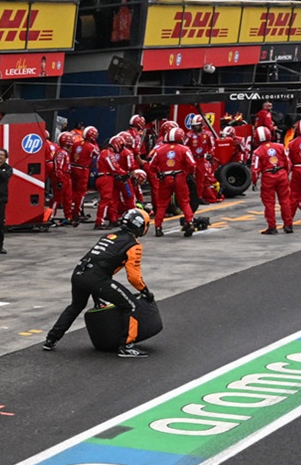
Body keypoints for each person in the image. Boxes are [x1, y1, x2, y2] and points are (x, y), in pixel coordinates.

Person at [42, 208, 152, 358]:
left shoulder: (109, 236)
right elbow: (133, 277)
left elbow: (101, 262)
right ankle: (126, 346)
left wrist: (97, 294)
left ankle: (51, 339)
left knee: (76, 305)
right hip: (96, 278)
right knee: (132, 306)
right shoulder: (134, 245)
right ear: (140, 226)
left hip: (79, 273)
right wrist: (145, 290)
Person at [146, 127, 199, 236]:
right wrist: (188, 173)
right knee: (184, 202)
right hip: (179, 177)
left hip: (165, 178)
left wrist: (158, 173)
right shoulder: (184, 149)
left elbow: (151, 166)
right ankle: (189, 222)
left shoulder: (159, 150)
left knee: (162, 204)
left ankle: (158, 227)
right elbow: (192, 164)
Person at [249, 126, 293, 235]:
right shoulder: (280, 146)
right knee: (285, 200)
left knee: (269, 203)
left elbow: (255, 169)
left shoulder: (258, 152)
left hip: (268, 176)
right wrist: (286, 174)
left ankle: (272, 227)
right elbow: (288, 163)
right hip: (282, 173)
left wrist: (254, 182)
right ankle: (288, 225)